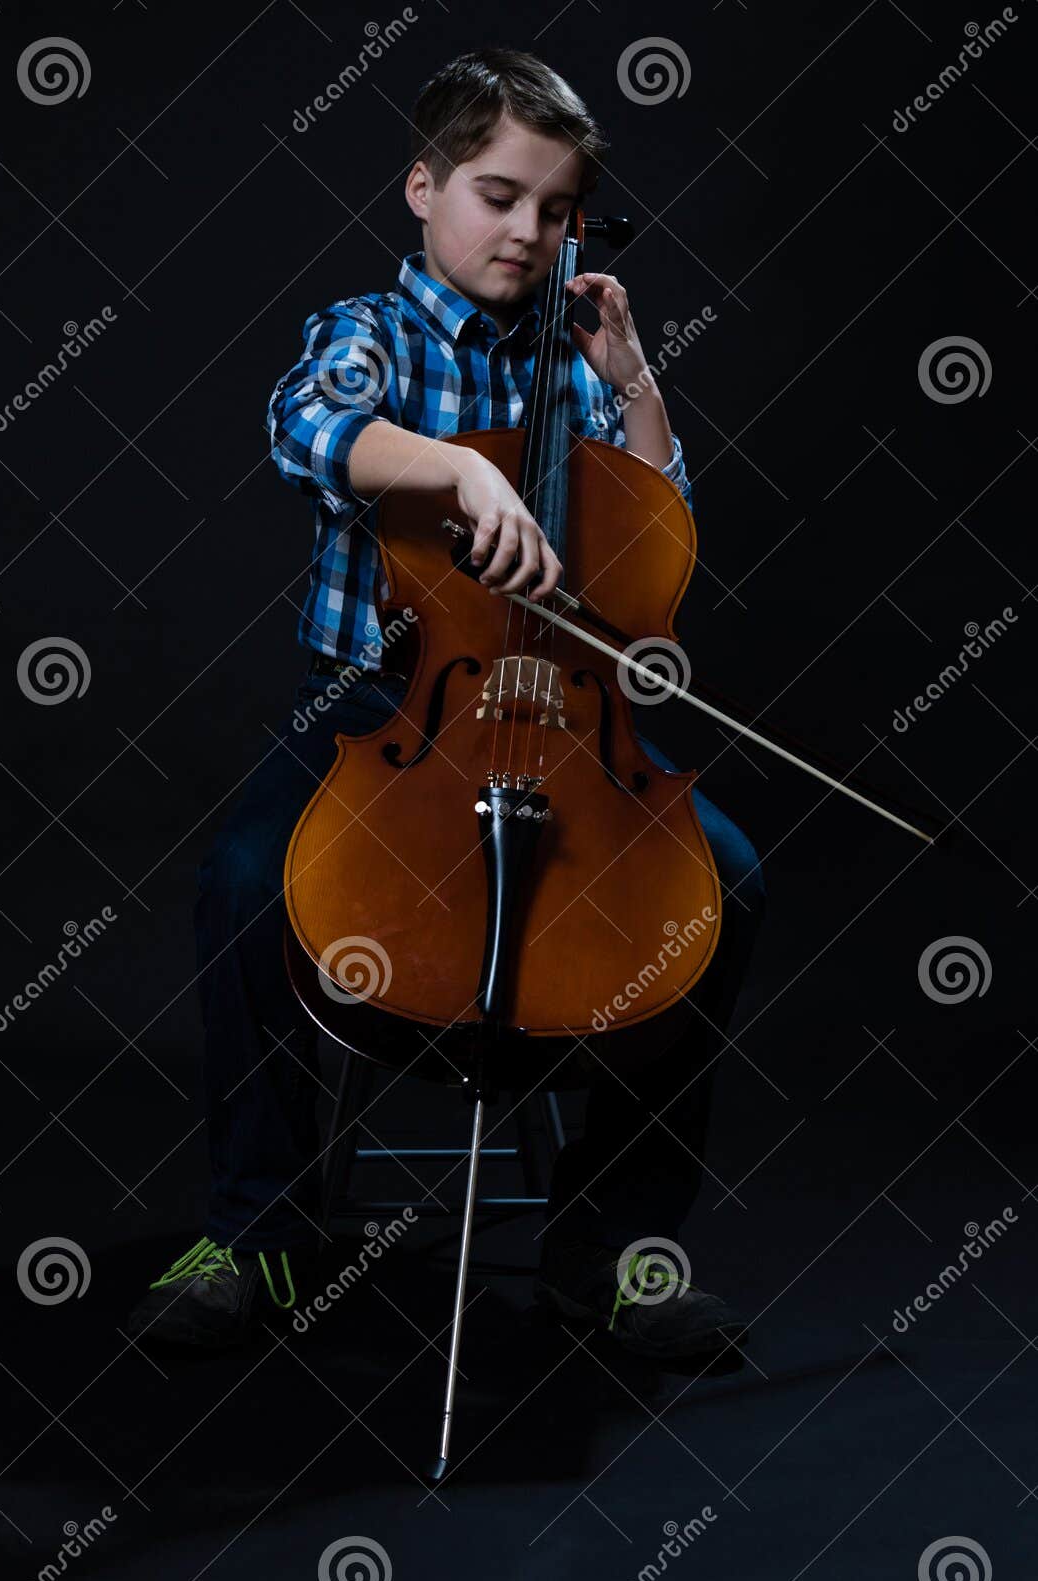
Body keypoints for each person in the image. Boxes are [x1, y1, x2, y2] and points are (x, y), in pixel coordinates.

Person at [125, 48, 766, 1361]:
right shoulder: (374, 330)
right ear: (423, 187)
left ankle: (609, 1252)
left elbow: (657, 543)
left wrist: (636, 379)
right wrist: (461, 481)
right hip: (385, 704)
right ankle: (257, 1233)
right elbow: (311, 427)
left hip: (561, 714)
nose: (526, 230)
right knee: (246, 878)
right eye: (494, 194)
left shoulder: (581, 367)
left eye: (552, 206)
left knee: (725, 882)